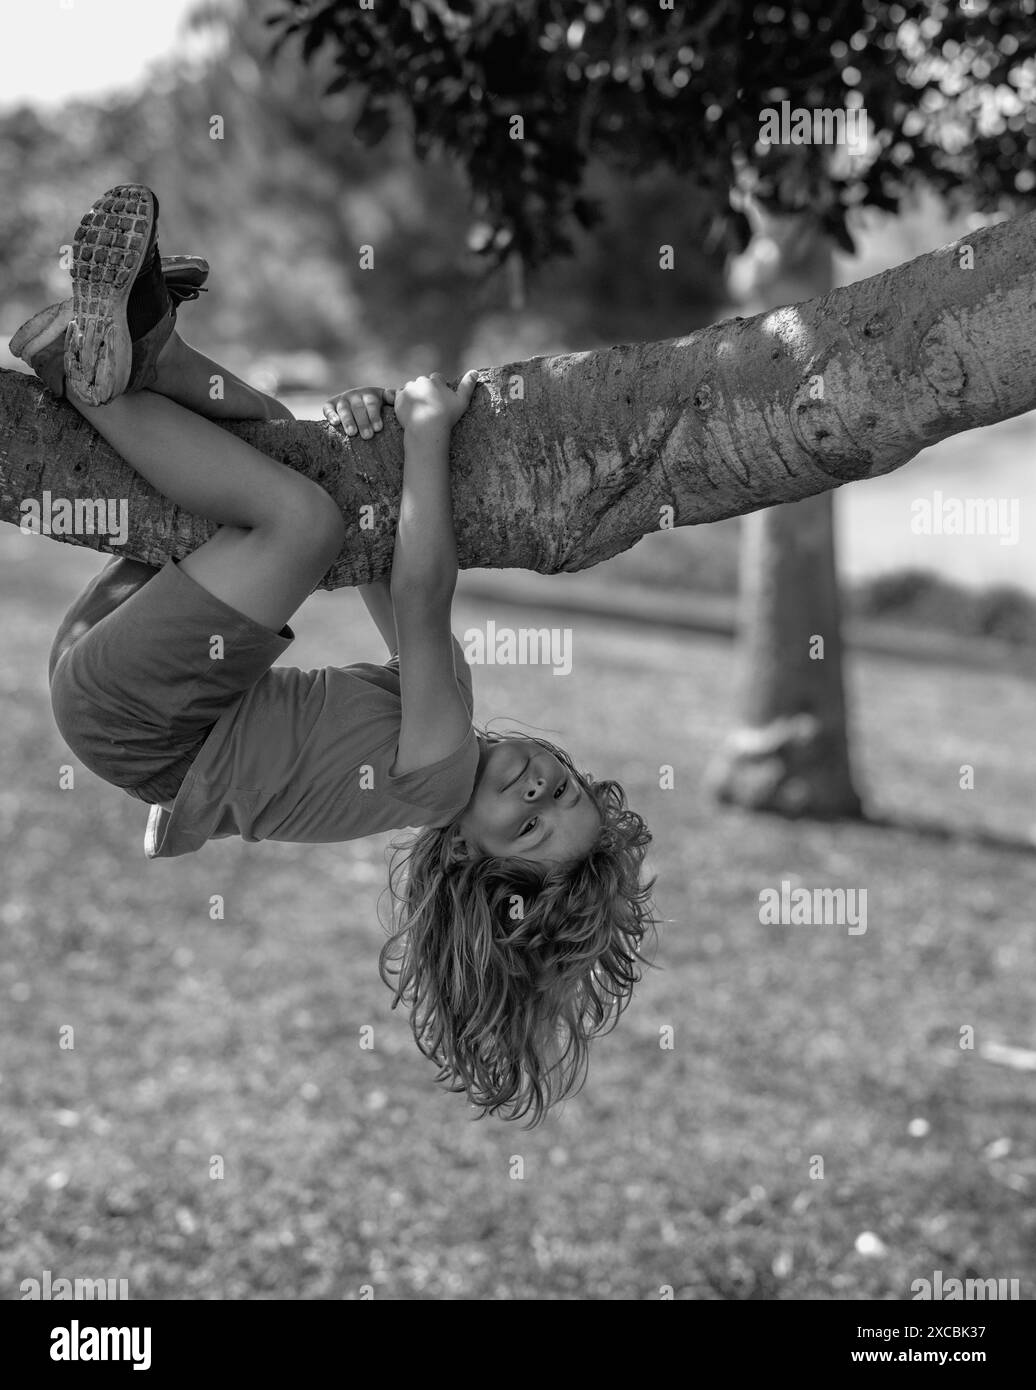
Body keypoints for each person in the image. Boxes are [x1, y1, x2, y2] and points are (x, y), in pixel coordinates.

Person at [13, 183, 660, 1125]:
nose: (535, 792)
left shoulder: (436, 779)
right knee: (300, 468)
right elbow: (376, 543)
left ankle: (79, 376)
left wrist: (426, 436)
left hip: (136, 717)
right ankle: (150, 345)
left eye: (525, 828)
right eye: (562, 792)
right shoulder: (443, 736)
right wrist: (362, 439)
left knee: (297, 519)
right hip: (117, 686)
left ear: (471, 865)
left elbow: (418, 590)